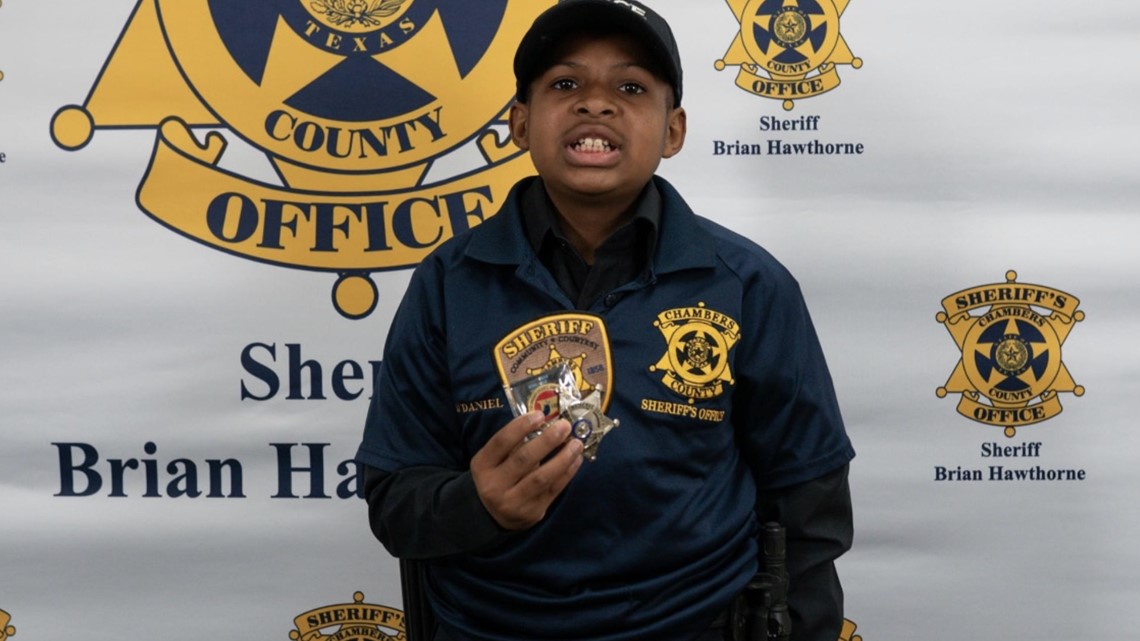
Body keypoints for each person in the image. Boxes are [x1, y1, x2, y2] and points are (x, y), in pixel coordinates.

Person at [356, 1, 855, 640]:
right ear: (519, 122)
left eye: (630, 87)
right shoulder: (449, 283)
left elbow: (810, 508)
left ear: (673, 130)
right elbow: (395, 500)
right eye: (565, 85)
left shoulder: (747, 283)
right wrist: (477, 505)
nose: (596, 104)